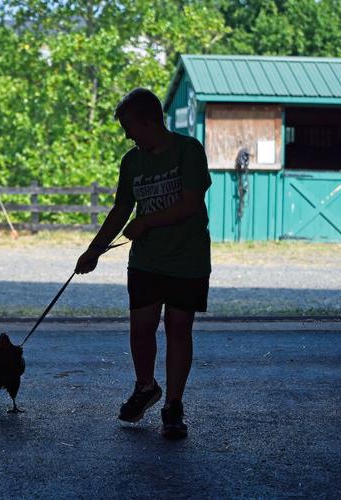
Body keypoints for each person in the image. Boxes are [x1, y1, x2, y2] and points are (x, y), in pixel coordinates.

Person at [75, 88, 211, 439]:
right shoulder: (131, 162)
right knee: (141, 327)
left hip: (187, 258)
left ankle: (174, 406)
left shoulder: (188, 151)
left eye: (129, 126)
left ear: (150, 121)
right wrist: (94, 249)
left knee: (179, 329)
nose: (127, 135)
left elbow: (191, 204)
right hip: (146, 261)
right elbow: (122, 209)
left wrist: (147, 221)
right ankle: (146, 387)